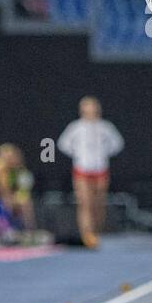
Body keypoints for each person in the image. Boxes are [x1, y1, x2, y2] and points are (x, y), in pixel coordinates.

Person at [57, 98, 124, 249]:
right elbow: (63, 144)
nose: (91, 111)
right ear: (82, 110)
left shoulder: (106, 127)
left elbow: (117, 143)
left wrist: (104, 153)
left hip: (100, 169)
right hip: (82, 170)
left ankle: (97, 232)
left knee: (98, 203)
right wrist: (78, 154)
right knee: (85, 203)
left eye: (93, 107)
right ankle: (87, 234)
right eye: (87, 108)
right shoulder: (76, 127)